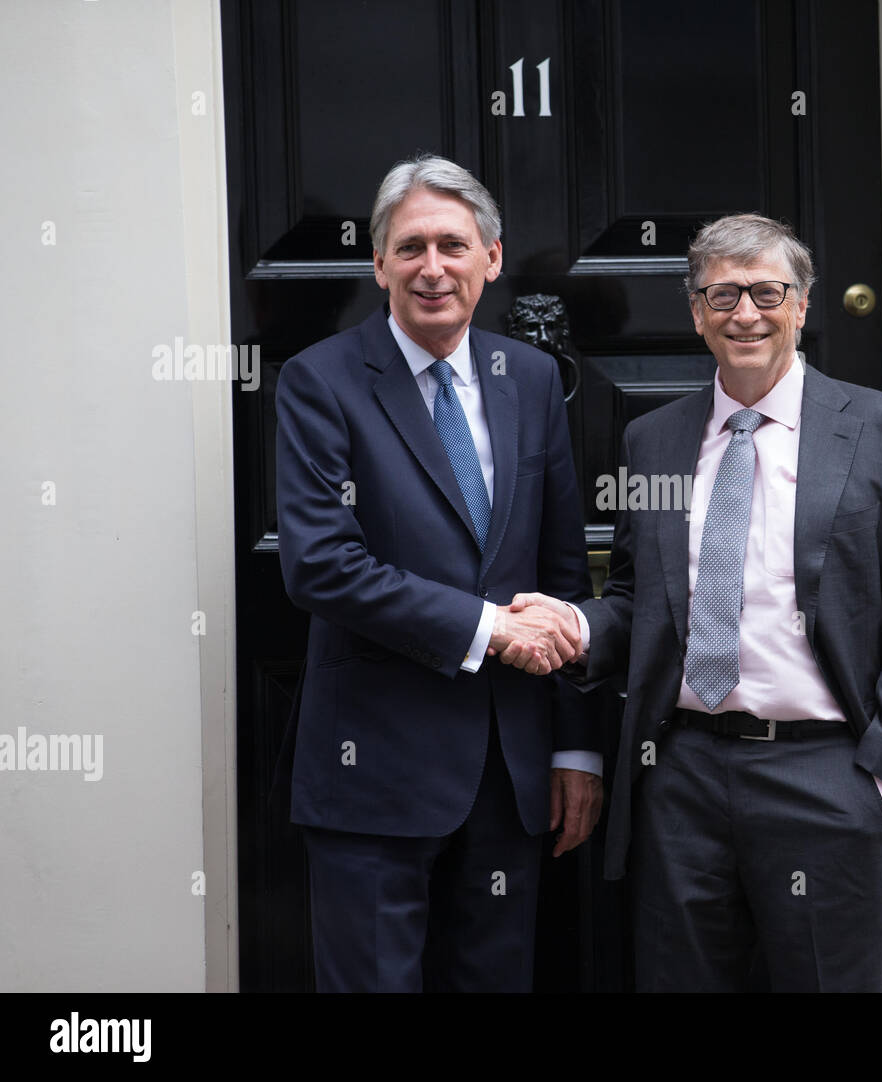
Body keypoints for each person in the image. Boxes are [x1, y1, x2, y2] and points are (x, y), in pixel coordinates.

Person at [504, 213, 882, 991]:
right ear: (695, 311)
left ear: (803, 304)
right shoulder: (654, 440)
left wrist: (881, 788)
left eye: (765, 292)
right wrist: (576, 624)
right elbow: (642, 602)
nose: (745, 312)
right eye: (722, 295)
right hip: (680, 777)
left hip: (827, 774)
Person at [274, 154, 600, 992]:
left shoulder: (529, 378)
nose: (432, 268)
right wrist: (492, 629)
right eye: (410, 246)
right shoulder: (320, 381)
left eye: (453, 245)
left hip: (512, 771)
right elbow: (322, 568)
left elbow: (563, 567)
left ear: (492, 258)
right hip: (371, 774)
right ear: (378, 264)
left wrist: (574, 746)